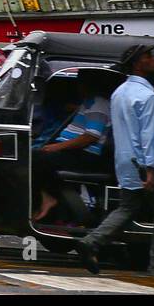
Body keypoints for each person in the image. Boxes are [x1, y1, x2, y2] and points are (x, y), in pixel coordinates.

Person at [77, 45, 154, 277]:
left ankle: (92, 241)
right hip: (146, 164)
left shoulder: (119, 92)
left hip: (124, 161)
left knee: (128, 207)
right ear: (137, 63)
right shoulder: (148, 96)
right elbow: (149, 136)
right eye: (148, 57)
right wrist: (151, 169)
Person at [30, 73, 112, 221]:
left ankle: (49, 197)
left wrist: (57, 147)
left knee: (34, 159)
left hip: (84, 154)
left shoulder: (98, 104)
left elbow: (91, 136)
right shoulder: (88, 103)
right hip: (72, 150)